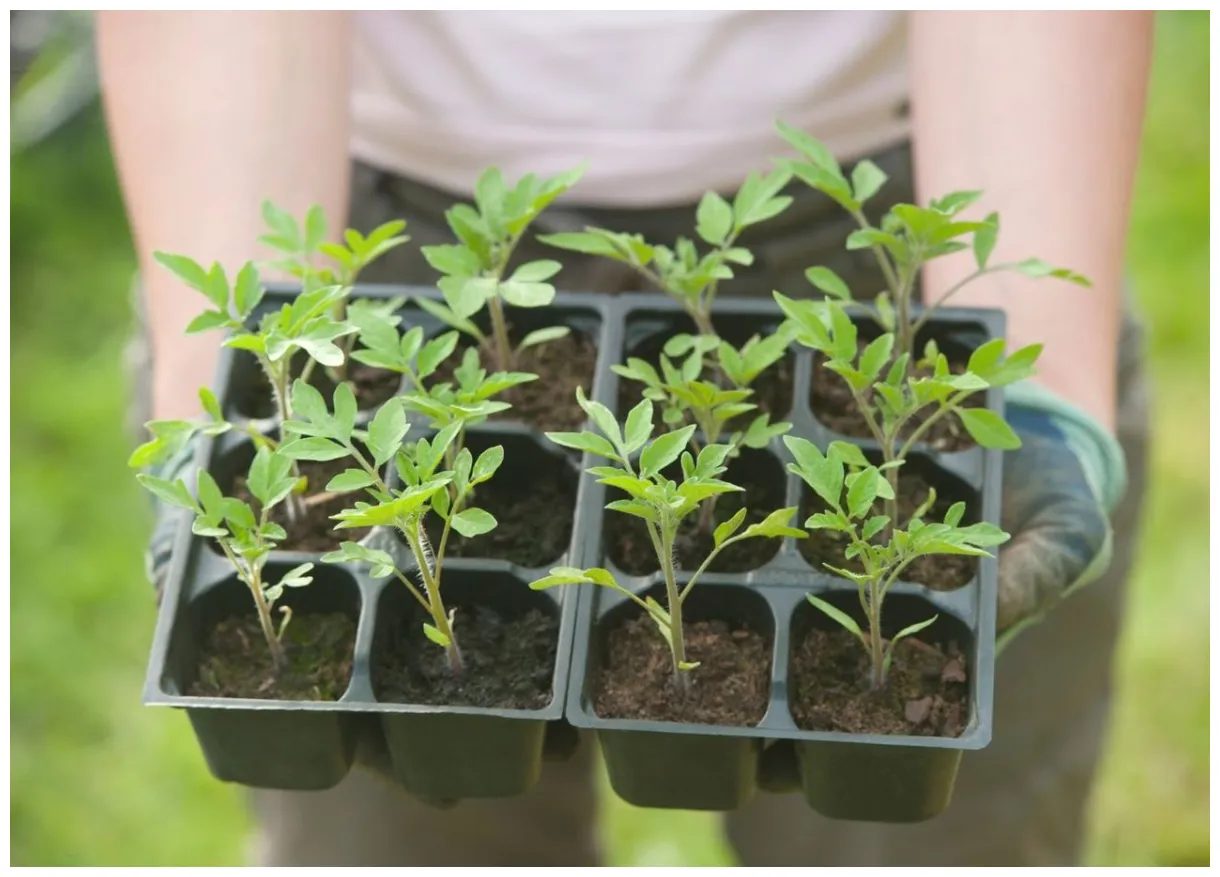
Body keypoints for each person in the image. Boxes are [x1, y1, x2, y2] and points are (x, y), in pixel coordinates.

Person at [96, 10, 1153, 866]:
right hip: (366, 254)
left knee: (931, 834)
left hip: (919, 219)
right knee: (393, 830)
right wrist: (232, 400)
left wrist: (1041, 380)